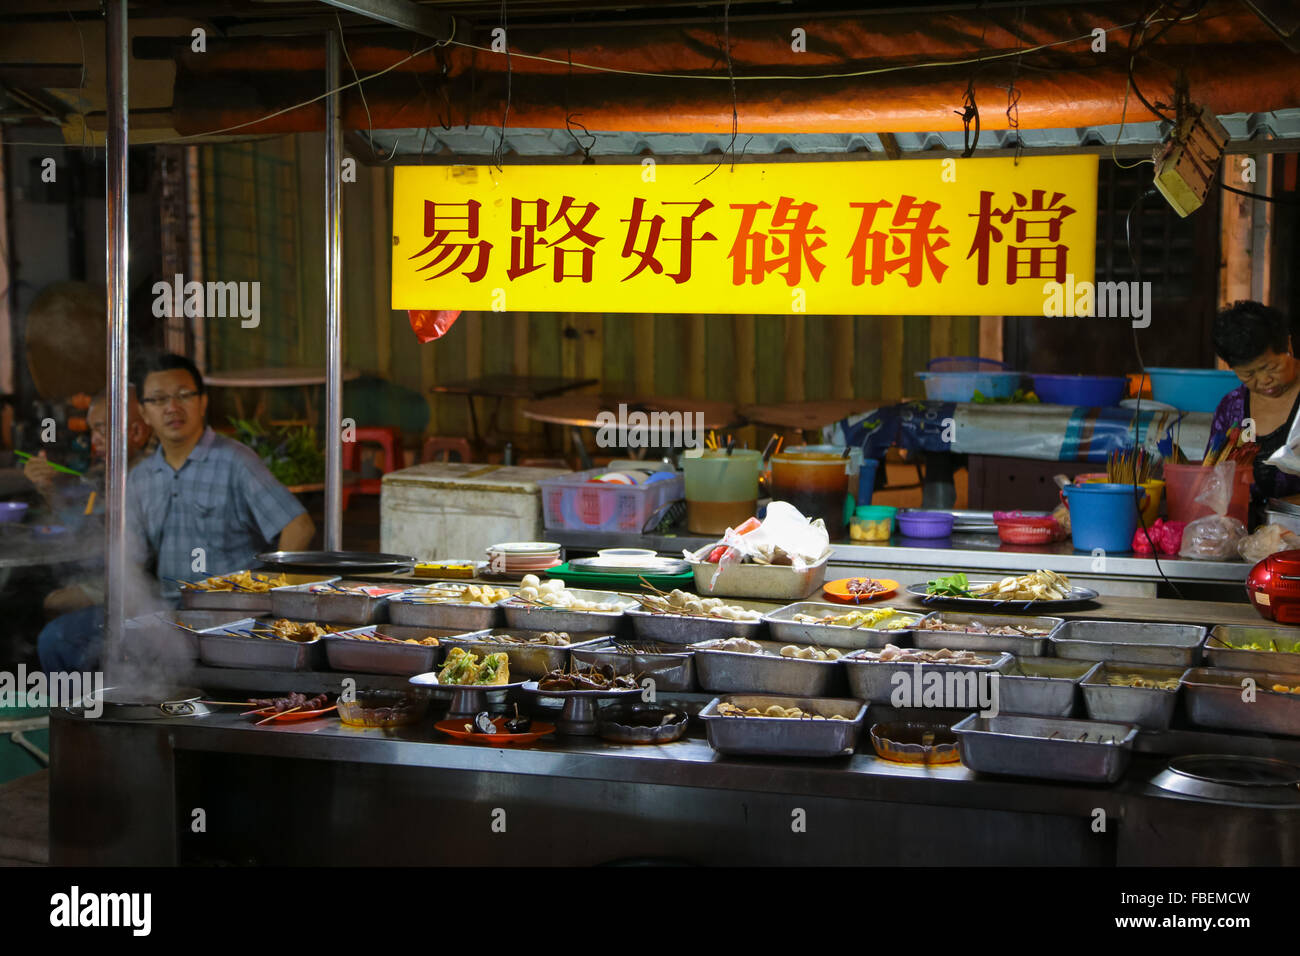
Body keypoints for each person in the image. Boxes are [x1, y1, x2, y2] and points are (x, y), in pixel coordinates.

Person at [38, 352, 316, 672]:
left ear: (203, 402)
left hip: (230, 616)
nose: (172, 407)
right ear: (143, 411)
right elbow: (131, 562)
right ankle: (94, 720)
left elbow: (299, 525)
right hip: (165, 614)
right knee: (58, 638)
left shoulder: (235, 461)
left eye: (184, 395)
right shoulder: (142, 478)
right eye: (158, 399)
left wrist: (264, 595)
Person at [25, 388, 154, 615]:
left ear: (136, 431)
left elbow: (134, 563)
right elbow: (82, 528)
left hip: (136, 584)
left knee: (45, 603)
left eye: (102, 430)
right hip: (101, 571)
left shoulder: (150, 478)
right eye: (92, 430)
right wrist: (47, 488)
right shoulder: (104, 474)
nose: (94, 441)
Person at [1208, 300, 1300, 527]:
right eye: (1248, 375)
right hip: (1247, 541)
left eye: (1271, 367)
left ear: (1288, 344)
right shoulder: (1233, 408)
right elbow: (1213, 479)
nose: (1263, 380)